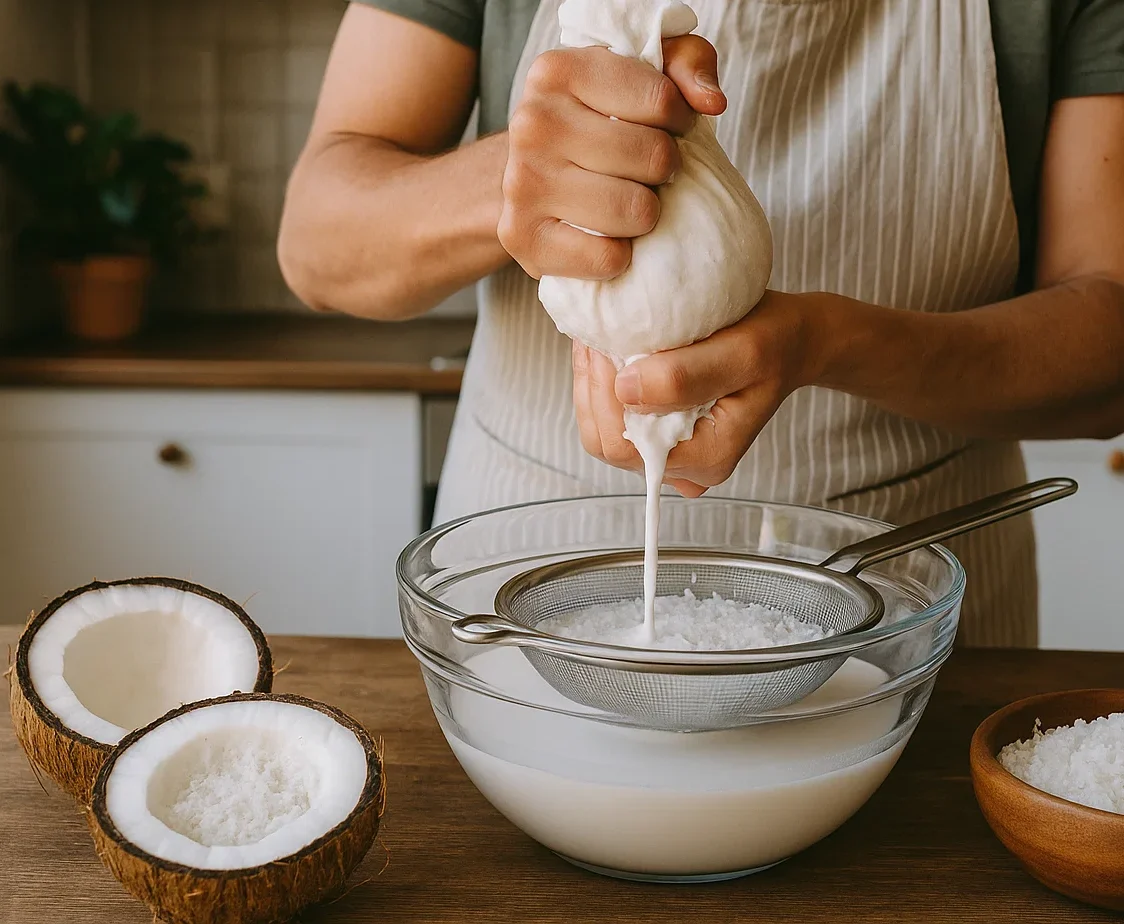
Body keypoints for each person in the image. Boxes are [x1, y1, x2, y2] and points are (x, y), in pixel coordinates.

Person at [278, 0, 1124, 648]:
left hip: (906, 609)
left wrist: (828, 342)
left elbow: (1108, 347)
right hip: (533, 564)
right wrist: (514, 177)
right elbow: (319, 246)